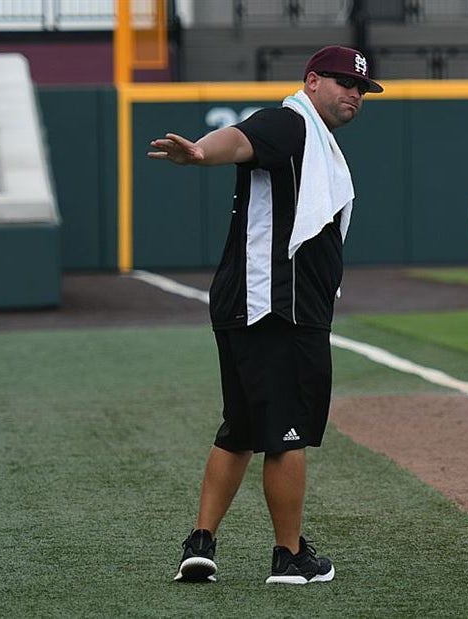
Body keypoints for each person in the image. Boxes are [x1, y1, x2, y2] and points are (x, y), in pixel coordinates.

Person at [147, 45, 382, 585]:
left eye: (362, 89)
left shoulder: (310, 137)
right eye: (344, 82)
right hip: (277, 305)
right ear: (313, 81)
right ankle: (290, 554)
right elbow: (242, 139)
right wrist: (203, 153)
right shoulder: (291, 122)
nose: (354, 94)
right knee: (286, 433)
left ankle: (200, 543)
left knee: (241, 429)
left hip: (248, 301)